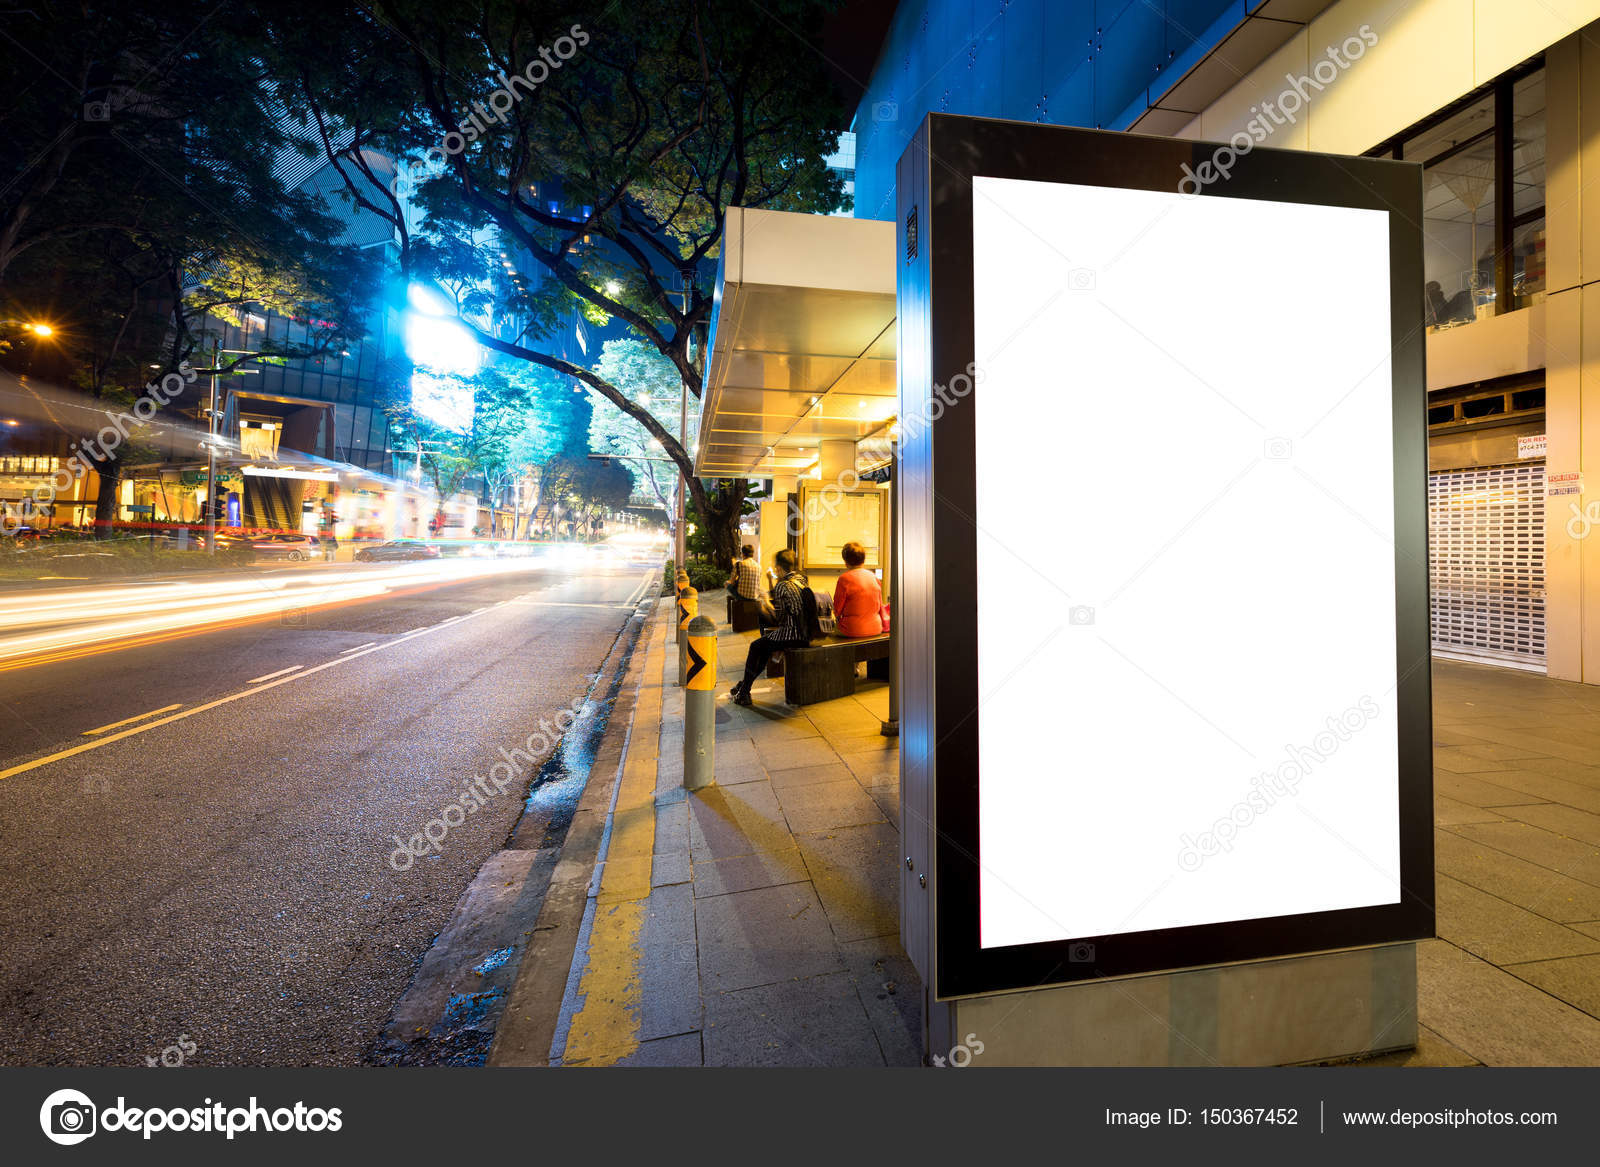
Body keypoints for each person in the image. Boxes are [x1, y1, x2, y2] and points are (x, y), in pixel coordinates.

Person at [729, 548, 811, 707]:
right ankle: (744, 686)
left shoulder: (783, 585)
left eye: (775, 567)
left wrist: (766, 605)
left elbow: (779, 620)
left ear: (779, 568)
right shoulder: (802, 579)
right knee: (764, 647)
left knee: (756, 646)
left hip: (792, 635)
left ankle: (744, 692)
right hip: (804, 633)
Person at [831, 541, 883, 637]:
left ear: (846, 562)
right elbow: (880, 606)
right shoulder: (873, 577)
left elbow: (837, 609)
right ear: (863, 560)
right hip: (876, 628)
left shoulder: (844, 579)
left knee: (830, 633)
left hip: (852, 630)